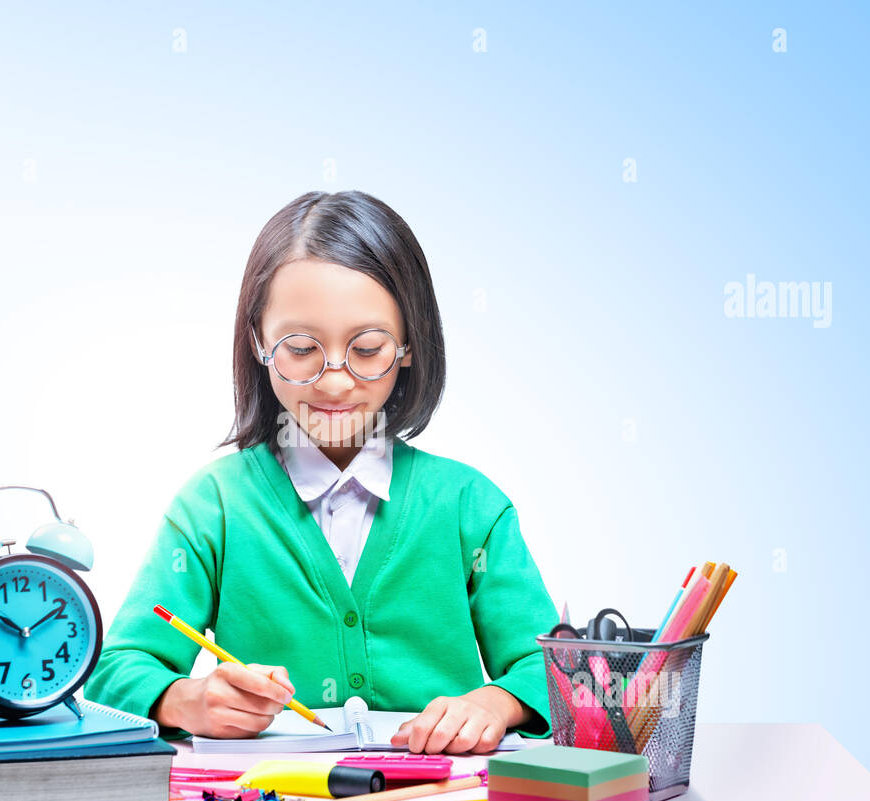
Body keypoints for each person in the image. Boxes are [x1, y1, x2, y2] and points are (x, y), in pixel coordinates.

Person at [83, 190, 560, 754]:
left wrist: (494, 703)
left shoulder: (469, 505)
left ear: (408, 344)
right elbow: (116, 670)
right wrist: (185, 699)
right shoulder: (213, 506)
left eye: (367, 348)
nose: (334, 382)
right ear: (259, 342)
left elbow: (553, 671)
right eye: (302, 348)